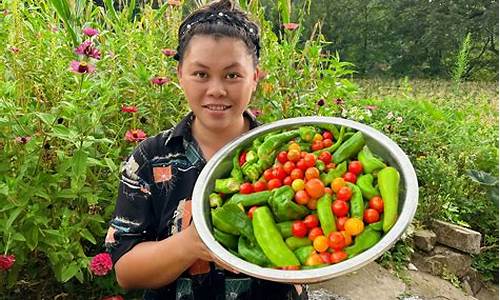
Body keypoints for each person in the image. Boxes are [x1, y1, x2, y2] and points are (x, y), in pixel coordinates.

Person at [104, 0, 308, 299]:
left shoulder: (289, 153)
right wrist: (191, 244)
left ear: (255, 77)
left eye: (232, 75)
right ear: (180, 75)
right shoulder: (150, 157)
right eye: (201, 74)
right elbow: (125, 271)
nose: (216, 89)